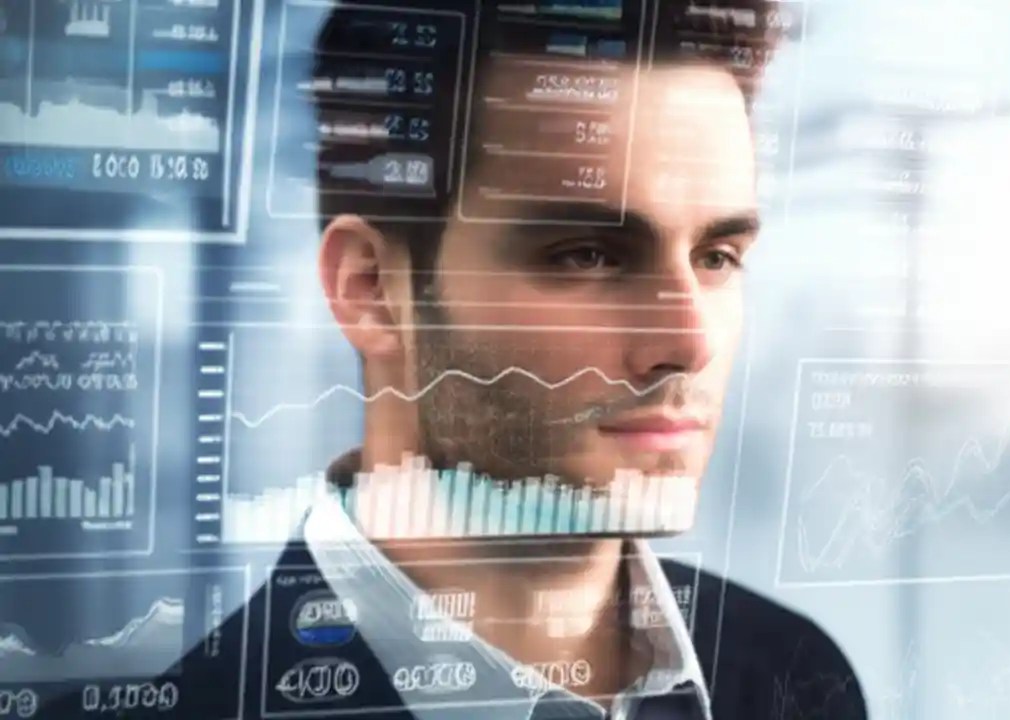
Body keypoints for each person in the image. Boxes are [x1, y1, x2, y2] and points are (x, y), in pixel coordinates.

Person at [35, 2, 865, 718]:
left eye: (716, 257)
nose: (689, 341)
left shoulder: (794, 675)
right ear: (371, 290)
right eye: (587, 255)